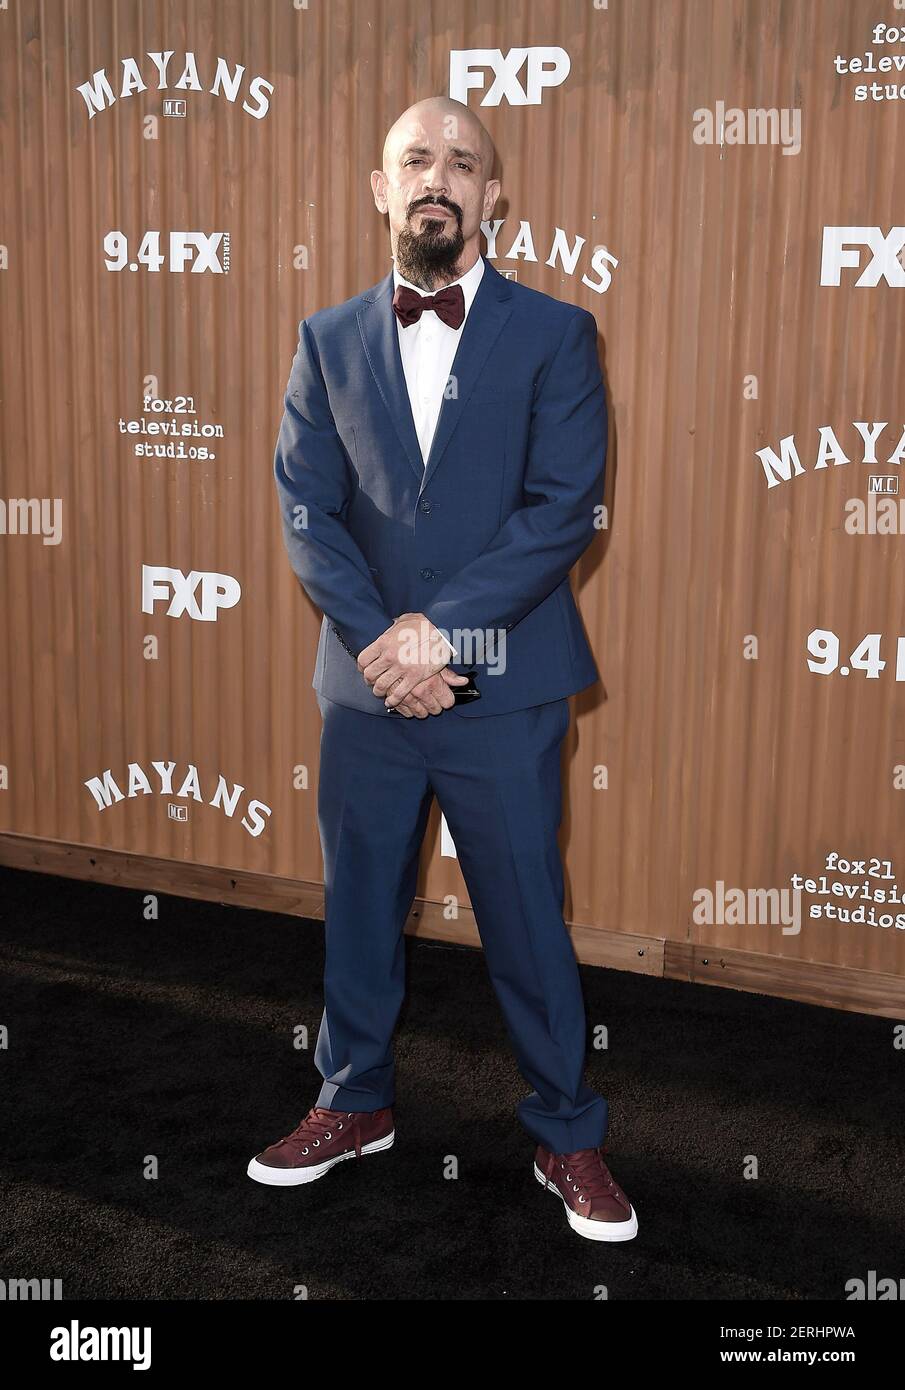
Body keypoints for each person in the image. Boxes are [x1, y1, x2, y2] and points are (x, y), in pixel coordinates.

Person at [249, 95, 636, 1242]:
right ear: (381, 188)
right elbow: (306, 512)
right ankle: (351, 1098)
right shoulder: (324, 339)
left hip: (502, 684)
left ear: (491, 194)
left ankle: (567, 1130)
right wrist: (387, 643)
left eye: (462, 162)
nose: (439, 175)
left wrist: (436, 636)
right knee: (360, 906)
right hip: (368, 687)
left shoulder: (558, 333)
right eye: (415, 157)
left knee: (524, 916)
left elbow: (561, 511)